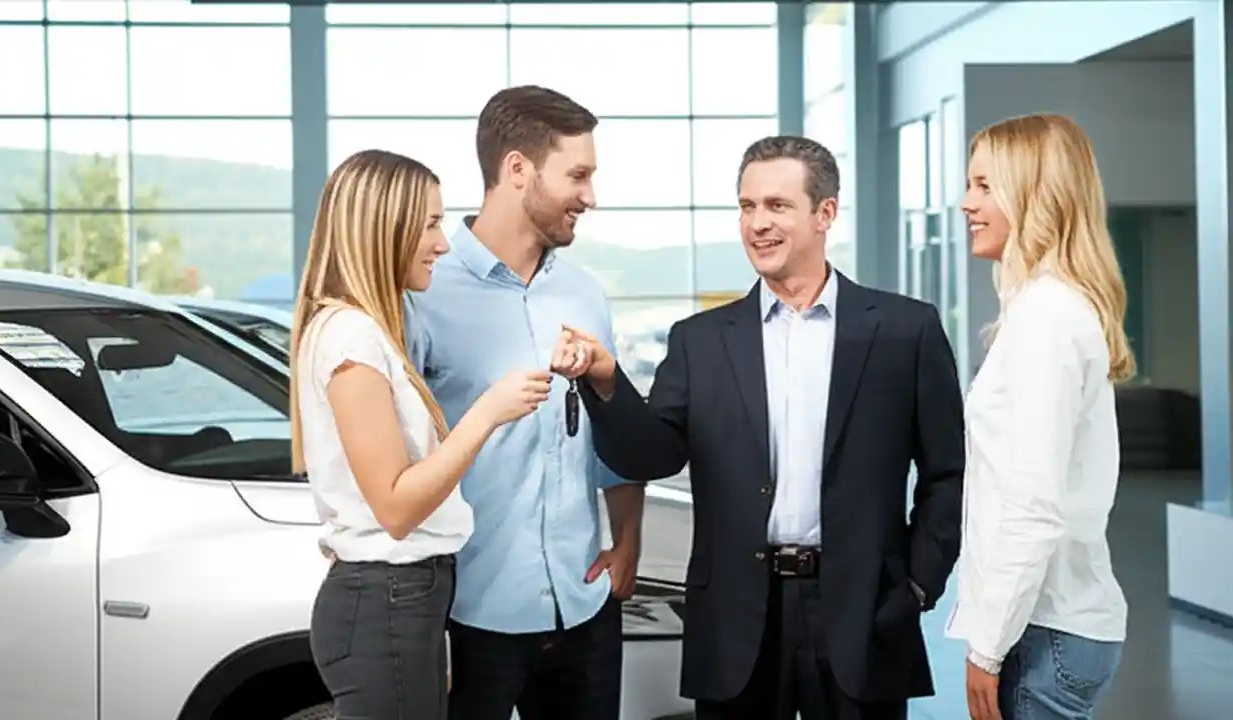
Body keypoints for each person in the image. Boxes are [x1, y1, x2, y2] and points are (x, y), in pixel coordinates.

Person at [551, 135, 965, 720]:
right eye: (747, 207)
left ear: (825, 214)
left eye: (777, 206)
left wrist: (918, 586)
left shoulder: (905, 330)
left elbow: (948, 472)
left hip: (864, 614)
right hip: (736, 617)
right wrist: (605, 380)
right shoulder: (699, 340)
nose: (757, 224)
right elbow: (652, 456)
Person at [404, 86, 645, 720]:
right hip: (470, 611)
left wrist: (628, 540)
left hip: (583, 601)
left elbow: (608, 429)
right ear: (517, 169)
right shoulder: (424, 289)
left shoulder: (586, 292)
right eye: (578, 175)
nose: (590, 196)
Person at [290, 149, 552, 720]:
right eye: (430, 223)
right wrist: (487, 412)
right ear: (385, 227)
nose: (443, 242)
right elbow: (396, 506)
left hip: (407, 600)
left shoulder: (366, 332)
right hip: (388, 599)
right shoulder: (351, 337)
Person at [949, 113, 1133, 720]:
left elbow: (1031, 507)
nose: (965, 203)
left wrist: (988, 646)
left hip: (1042, 633)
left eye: (983, 186)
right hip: (1056, 625)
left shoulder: (1047, 318)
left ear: (1034, 194)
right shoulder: (1047, 308)